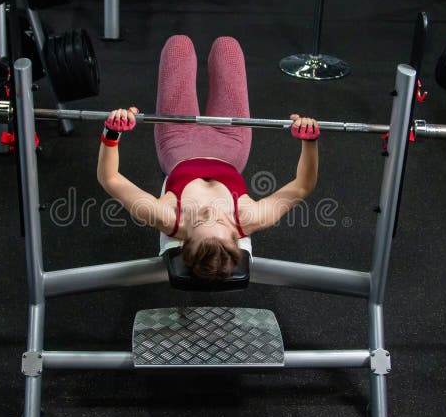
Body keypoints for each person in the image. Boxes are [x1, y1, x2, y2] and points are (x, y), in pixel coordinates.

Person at [97, 35, 320, 281]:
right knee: (228, 47)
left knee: (177, 45)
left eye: (203, 217)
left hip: (177, 142)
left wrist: (112, 133)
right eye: (221, 219)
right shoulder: (248, 217)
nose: (212, 211)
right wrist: (309, 141)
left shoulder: (167, 216)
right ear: (236, 235)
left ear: (184, 238)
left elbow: (110, 179)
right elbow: (302, 186)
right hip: (230, 143)